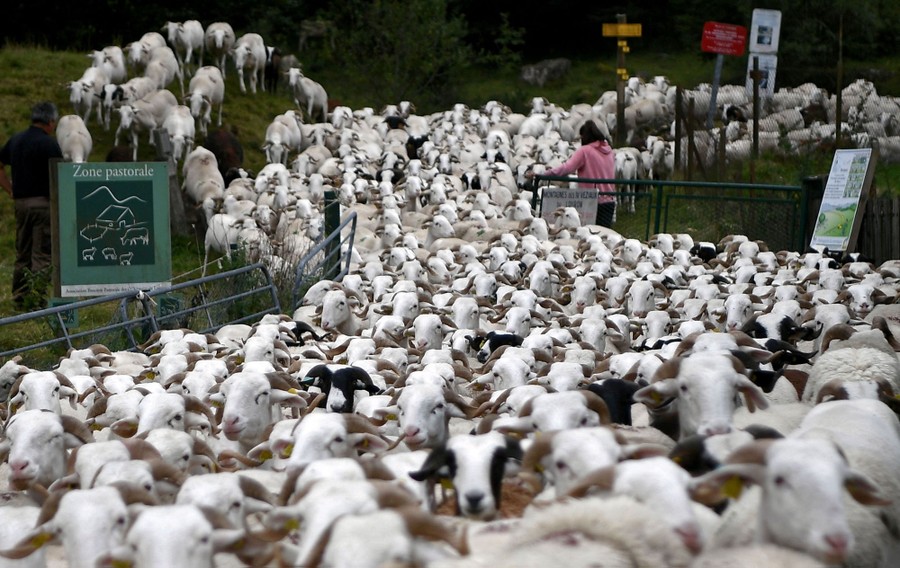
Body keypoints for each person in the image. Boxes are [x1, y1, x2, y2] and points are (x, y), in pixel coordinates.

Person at [0, 101, 63, 310]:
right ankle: (36, 300)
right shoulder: (49, 144)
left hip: (21, 204)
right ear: (50, 121)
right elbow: (59, 176)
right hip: (43, 205)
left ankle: (19, 297)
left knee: (23, 251)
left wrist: (10, 190)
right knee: (42, 253)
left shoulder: (16, 140)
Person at [527, 119, 617, 227]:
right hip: (609, 201)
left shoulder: (585, 151)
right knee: (602, 236)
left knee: (587, 235)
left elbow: (567, 168)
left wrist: (544, 174)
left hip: (591, 201)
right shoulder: (609, 150)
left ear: (585, 136)